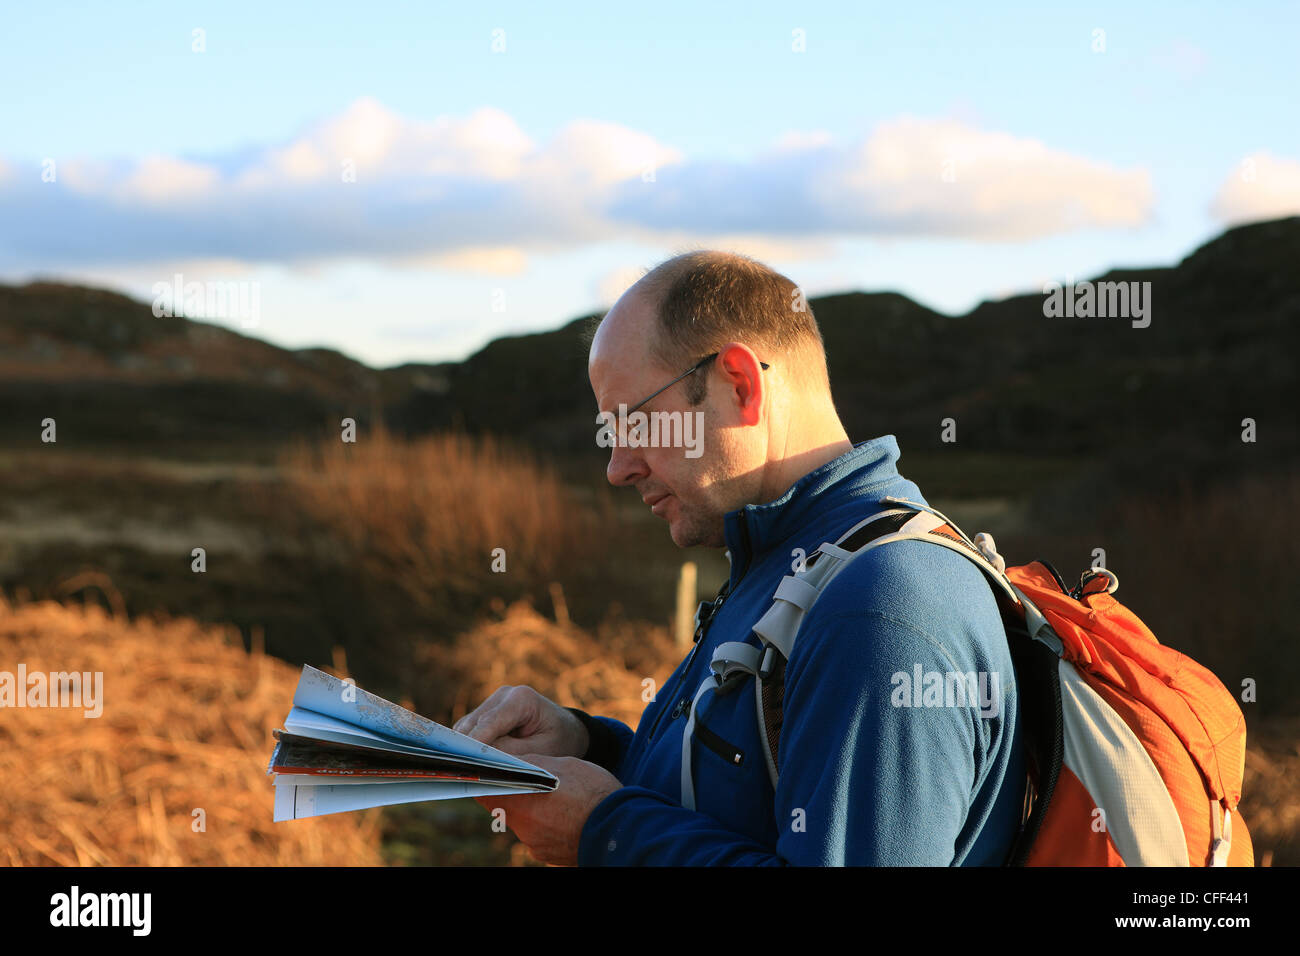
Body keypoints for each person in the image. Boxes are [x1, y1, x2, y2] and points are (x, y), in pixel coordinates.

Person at [455, 250, 1024, 865]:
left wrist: (607, 831)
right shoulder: (787, 562)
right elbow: (743, 805)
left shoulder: (880, 607)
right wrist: (589, 748)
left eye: (633, 424)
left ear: (740, 385)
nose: (618, 467)